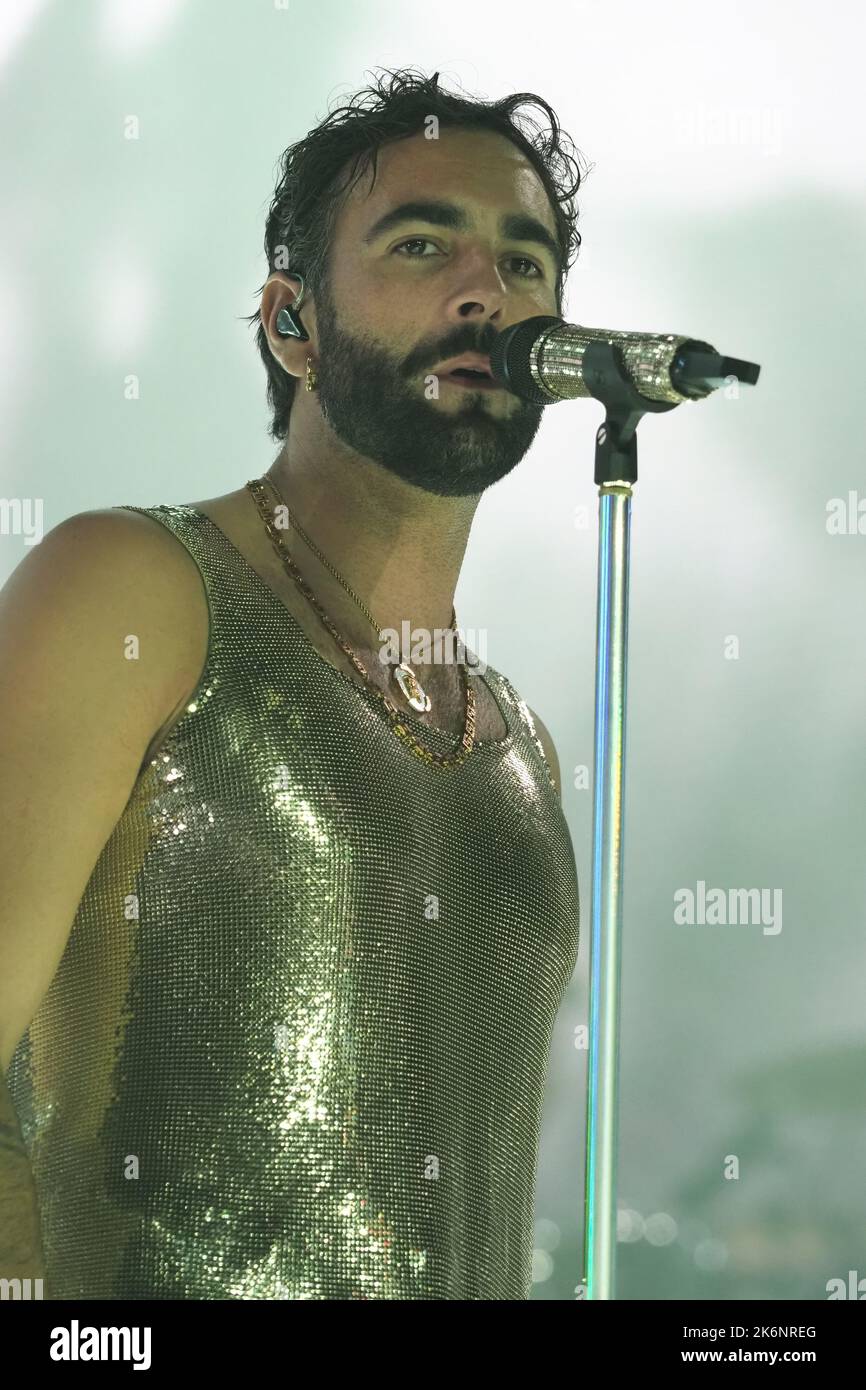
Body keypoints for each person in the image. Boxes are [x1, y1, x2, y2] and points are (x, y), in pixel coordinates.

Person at [0, 68, 586, 1300]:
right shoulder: (134, 589)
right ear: (291, 324)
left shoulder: (521, 747)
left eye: (524, 263)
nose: (486, 288)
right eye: (423, 244)